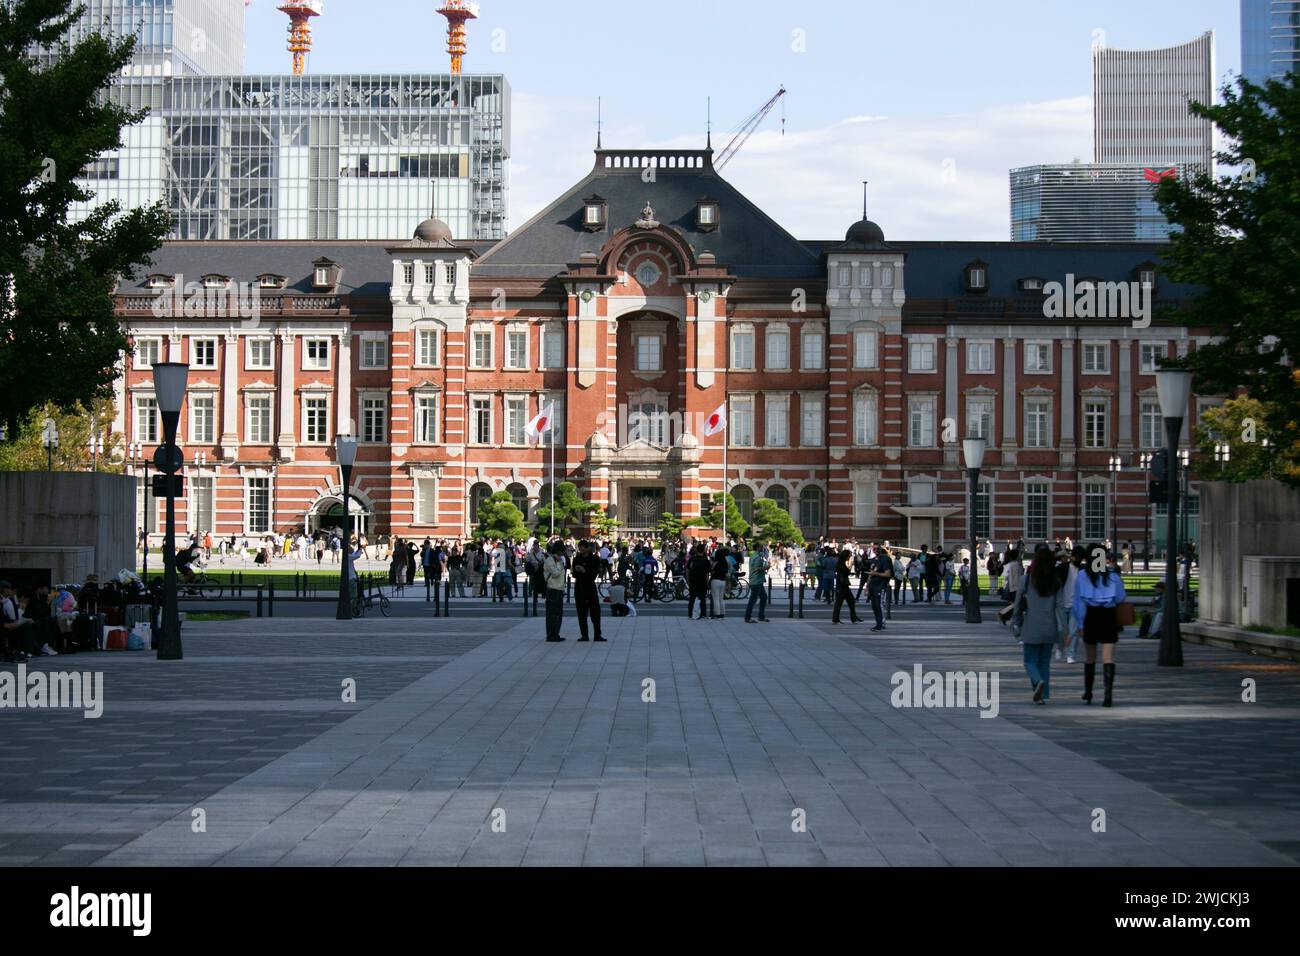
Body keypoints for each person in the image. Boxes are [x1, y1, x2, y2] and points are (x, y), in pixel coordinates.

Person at [1073, 543, 1128, 707]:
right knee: (1108, 658)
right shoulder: (1113, 576)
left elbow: (1078, 603)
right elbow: (1120, 598)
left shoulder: (1082, 575)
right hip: (1108, 616)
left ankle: (1088, 692)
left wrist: (1080, 624)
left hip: (1091, 615)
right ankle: (1108, 694)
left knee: (1090, 657)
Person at [1011, 547, 1067, 704]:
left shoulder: (1027, 580)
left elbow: (1017, 605)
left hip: (1032, 626)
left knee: (1029, 661)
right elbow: (1061, 607)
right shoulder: (1056, 581)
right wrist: (1066, 630)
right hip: (1050, 627)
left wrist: (1015, 622)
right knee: (1044, 662)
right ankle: (1043, 695)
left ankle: (1037, 682)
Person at [572, 539, 605, 642]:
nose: (581, 551)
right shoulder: (577, 558)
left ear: (587, 548)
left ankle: (597, 634)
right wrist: (578, 571)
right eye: (579, 549)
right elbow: (574, 573)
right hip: (579, 587)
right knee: (581, 613)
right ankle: (584, 635)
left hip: (590, 587)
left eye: (582, 549)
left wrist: (584, 571)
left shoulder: (594, 559)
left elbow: (593, 575)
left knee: (595, 612)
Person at [542, 540, 567, 642]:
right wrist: (558, 563)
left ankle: (556, 633)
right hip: (552, 589)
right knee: (552, 613)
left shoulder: (560, 560)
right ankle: (551, 635)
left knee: (558, 613)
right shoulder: (549, 560)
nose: (562, 553)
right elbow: (556, 573)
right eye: (561, 550)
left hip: (559, 589)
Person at [831, 549, 862, 624]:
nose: (850, 557)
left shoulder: (841, 563)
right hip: (843, 586)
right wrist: (851, 565)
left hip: (843, 585)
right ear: (846, 556)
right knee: (840, 603)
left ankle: (853, 618)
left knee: (849, 601)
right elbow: (845, 573)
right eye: (849, 555)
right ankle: (836, 619)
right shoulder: (841, 564)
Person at [744, 543, 772, 623]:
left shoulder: (754, 556)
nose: (763, 548)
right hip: (756, 581)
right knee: (753, 600)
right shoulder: (757, 557)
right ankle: (748, 617)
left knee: (763, 597)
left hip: (757, 581)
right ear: (757, 547)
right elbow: (757, 569)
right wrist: (766, 567)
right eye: (761, 546)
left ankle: (761, 616)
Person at [686, 544, 711, 620]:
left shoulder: (692, 559)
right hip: (702, 581)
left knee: (692, 598)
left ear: (697, 550)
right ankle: (703, 614)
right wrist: (707, 582)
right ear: (703, 550)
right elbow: (707, 573)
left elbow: (687, 569)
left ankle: (690, 614)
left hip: (693, 581)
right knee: (702, 598)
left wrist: (688, 579)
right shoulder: (706, 560)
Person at [709, 547, 730, 619]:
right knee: (721, 598)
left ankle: (716, 613)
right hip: (723, 581)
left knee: (715, 598)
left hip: (715, 580)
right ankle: (722, 613)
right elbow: (727, 573)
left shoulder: (716, 563)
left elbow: (711, 571)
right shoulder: (725, 563)